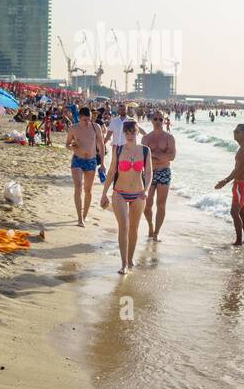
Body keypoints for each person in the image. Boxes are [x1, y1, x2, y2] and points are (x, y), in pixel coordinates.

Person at [100, 119, 152, 273]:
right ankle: (123, 264)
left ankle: (130, 259)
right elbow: (111, 172)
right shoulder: (118, 149)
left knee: (134, 228)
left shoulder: (145, 150)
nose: (129, 135)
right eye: (127, 132)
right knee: (124, 226)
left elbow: (149, 172)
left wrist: (147, 189)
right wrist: (104, 193)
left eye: (132, 132)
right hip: (119, 193)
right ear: (124, 133)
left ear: (137, 132)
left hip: (138, 194)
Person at [215, 123, 244, 245]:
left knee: (234, 212)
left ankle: (239, 241)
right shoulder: (242, 148)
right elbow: (237, 168)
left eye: (237, 131)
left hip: (242, 184)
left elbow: (239, 169)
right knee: (242, 212)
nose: (234, 133)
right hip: (241, 184)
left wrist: (225, 181)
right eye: (234, 131)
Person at [66, 106, 103, 227]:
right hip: (77, 160)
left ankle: (85, 215)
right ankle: (79, 219)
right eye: (85, 120)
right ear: (80, 118)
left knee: (88, 190)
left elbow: (101, 145)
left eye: (89, 119)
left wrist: (102, 163)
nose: (87, 122)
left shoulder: (95, 127)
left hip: (91, 161)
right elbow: (67, 144)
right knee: (78, 187)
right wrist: (72, 146)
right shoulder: (73, 128)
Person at [142, 112, 177, 241]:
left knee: (161, 204)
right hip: (149, 172)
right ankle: (150, 226)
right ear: (151, 120)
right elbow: (144, 157)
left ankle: (156, 232)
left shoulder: (169, 138)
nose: (157, 121)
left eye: (160, 119)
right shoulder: (146, 138)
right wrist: (160, 156)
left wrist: (155, 156)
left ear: (163, 121)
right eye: (155, 119)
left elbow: (172, 156)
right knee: (147, 204)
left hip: (164, 171)